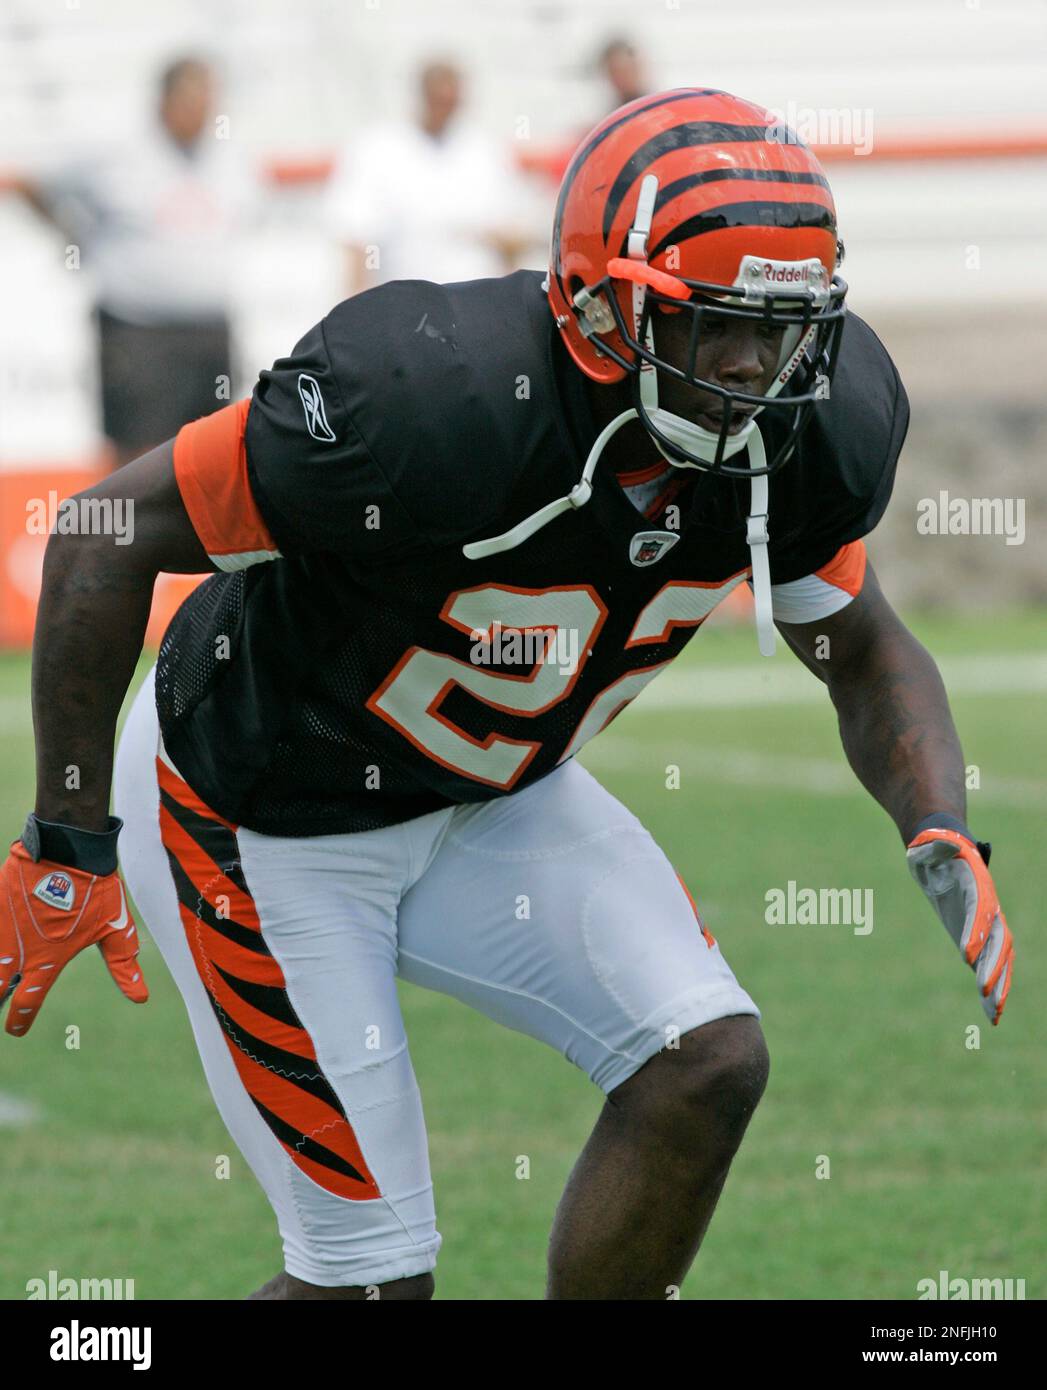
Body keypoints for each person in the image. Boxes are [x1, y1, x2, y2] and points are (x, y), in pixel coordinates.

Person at [1, 90, 1013, 1301]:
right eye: (712, 328)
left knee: (704, 1063)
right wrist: (68, 834)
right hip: (258, 816)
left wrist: (936, 812)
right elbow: (107, 530)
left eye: (782, 329)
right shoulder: (427, 396)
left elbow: (862, 645)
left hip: (492, 794)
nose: (754, 369)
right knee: (370, 1284)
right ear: (601, 306)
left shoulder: (814, 431)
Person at [11, 56, 251, 470]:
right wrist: (73, 236)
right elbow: (34, 182)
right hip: (138, 330)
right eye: (194, 100)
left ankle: (196, 537)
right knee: (138, 457)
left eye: (209, 101)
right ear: (166, 100)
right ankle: (132, 537)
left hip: (208, 330)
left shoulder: (227, 154)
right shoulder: (117, 150)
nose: (204, 111)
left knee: (215, 453)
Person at [327, 59, 527, 295]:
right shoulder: (378, 150)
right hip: (405, 308)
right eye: (438, 99)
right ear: (422, 97)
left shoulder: (486, 152)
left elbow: (514, 238)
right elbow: (357, 240)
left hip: (476, 308)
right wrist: (357, 313)